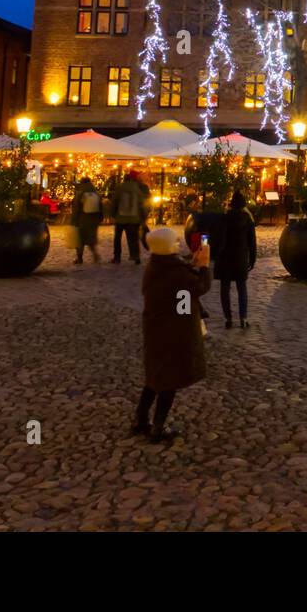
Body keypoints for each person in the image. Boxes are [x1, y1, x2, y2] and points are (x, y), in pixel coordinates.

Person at [133, 226, 211, 444]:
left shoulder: (157, 266)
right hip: (175, 332)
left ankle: (140, 418)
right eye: (175, 242)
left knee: (154, 377)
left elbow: (181, 287)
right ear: (168, 247)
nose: (178, 244)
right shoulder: (175, 272)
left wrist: (191, 265)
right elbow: (200, 286)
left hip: (156, 330)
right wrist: (203, 267)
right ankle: (158, 426)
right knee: (170, 380)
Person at [213, 190, 257, 328]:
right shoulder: (247, 219)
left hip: (225, 258)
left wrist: (215, 254)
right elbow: (252, 242)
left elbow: (217, 239)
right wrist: (252, 259)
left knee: (225, 288)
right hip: (240, 257)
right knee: (241, 288)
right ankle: (243, 318)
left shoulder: (224, 218)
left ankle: (228, 318)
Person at [111, 170, 146, 264]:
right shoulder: (136, 189)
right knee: (134, 238)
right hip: (134, 218)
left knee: (117, 238)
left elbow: (115, 202)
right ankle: (136, 256)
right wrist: (142, 218)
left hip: (120, 217)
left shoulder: (120, 188)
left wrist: (113, 214)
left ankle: (117, 257)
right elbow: (141, 204)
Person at [69, 178, 103, 263]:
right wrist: (99, 219)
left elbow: (76, 208)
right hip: (93, 219)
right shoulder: (96, 193)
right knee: (91, 238)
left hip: (82, 219)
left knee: (80, 239)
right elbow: (101, 207)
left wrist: (74, 220)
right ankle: (95, 254)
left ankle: (79, 258)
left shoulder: (80, 193)